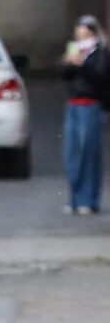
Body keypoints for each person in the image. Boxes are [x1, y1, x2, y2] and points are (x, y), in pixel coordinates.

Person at [61, 15, 109, 214]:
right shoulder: (76, 50)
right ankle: (75, 199)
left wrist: (83, 64)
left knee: (88, 153)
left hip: (91, 105)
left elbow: (100, 77)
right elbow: (66, 76)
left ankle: (88, 200)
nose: (82, 38)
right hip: (74, 104)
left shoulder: (100, 53)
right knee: (72, 153)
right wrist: (68, 64)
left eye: (85, 34)